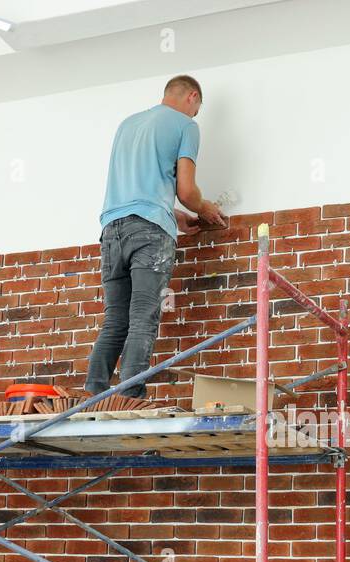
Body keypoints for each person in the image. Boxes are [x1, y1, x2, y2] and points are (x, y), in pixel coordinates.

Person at [86, 74, 226, 398]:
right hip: (149, 234)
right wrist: (205, 209)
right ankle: (129, 397)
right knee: (143, 316)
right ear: (192, 97)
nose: (194, 117)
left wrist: (174, 214)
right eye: (196, 110)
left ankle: (92, 394)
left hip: (111, 230)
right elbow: (188, 191)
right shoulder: (185, 126)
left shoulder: (127, 125)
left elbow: (140, 190)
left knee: (115, 320)